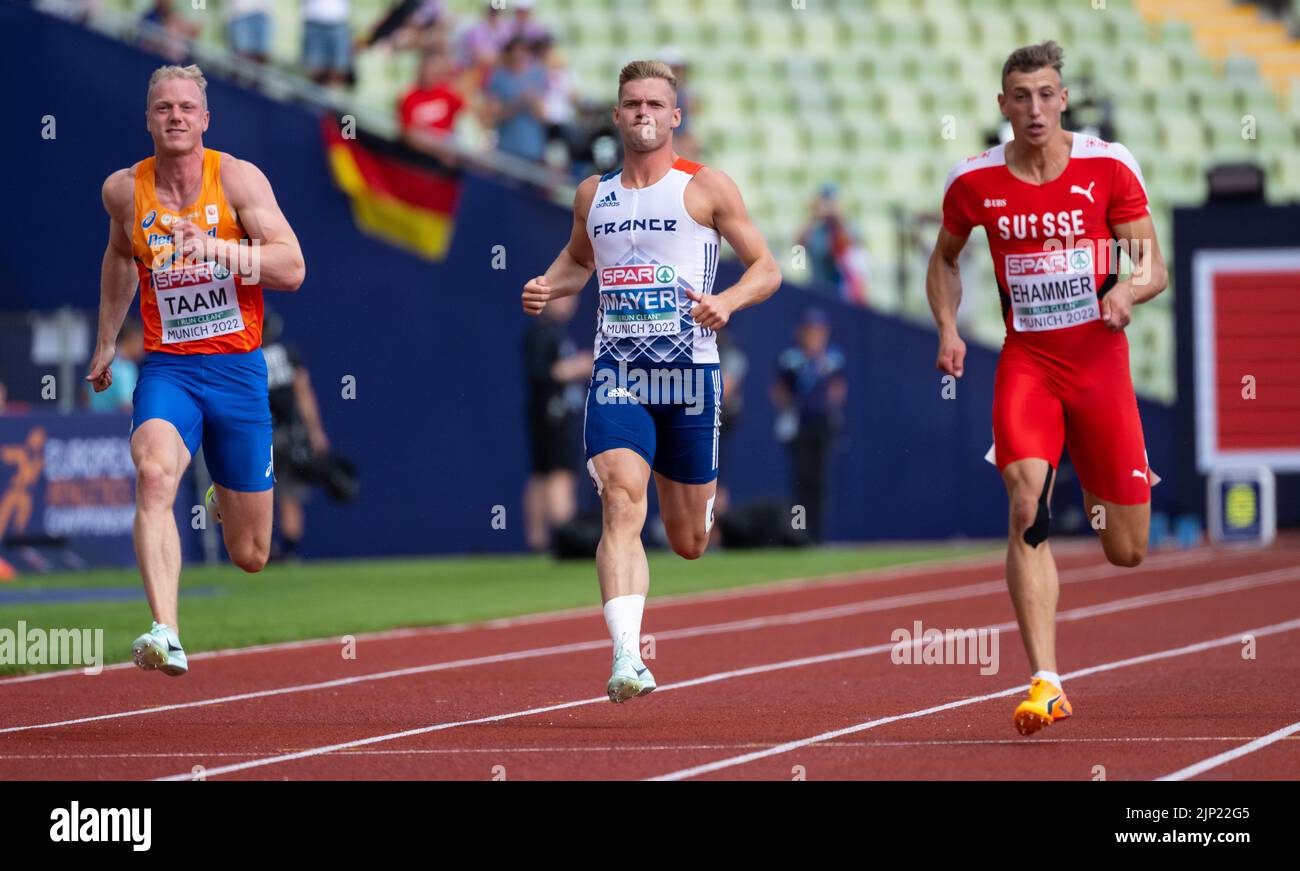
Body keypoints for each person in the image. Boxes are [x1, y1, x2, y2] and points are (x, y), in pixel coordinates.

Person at [521, 60, 781, 703]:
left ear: (674, 116)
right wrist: (548, 283)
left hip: (689, 375)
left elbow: (768, 269)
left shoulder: (707, 188)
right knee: (618, 497)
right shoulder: (593, 194)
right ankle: (626, 657)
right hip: (621, 371)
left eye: (654, 104)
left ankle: (699, 502)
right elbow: (580, 259)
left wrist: (729, 301)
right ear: (616, 115)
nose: (642, 112)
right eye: (631, 103)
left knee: (689, 540)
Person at [927, 42, 1167, 735]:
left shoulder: (1108, 166)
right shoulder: (972, 182)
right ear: (1002, 106)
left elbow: (1152, 264)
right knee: (1026, 501)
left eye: (1046, 93)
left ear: (1064, 99)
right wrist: (948, 326)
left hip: (1098, 366)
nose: (1034, 107)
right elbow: (944, 259)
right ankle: (1046, 680)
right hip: (1027, 361)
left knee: (1125, 547)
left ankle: (1112, 469)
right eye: (1021, 96)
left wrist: (1127, 287)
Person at [86, 64, 306, 676]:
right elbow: (119, 256)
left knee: (251, 553)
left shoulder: (236, 178)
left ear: (205, 119)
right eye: (163, 108)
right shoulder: (125, 191)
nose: (175, 116)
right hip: (171, 369)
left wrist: (216, 248)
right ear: (149, 118)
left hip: (237, 371)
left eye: (186, 107)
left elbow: (291, 268)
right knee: (153, 475)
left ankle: (225, 495)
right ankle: (166, 631)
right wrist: (106, 342)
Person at [521, 293, 591, 552]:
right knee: (558, 472)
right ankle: (567, 539)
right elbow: (543, 371)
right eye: (564, 298)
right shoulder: (541, 333)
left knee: (545, 473)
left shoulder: (558, 333)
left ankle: (539, 541)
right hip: (552, 415)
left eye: (572, 299)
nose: (569, 303)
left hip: (557, 415)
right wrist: (579, 366)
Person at [771, 308, 847, 543]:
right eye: (810, 331)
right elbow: (778, 390)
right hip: (799, 424)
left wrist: (828, 407)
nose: (814, 336)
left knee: (820, 480)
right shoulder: (791, 358)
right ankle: (800, 533)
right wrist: (788, 409)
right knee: (800, 479)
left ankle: (818, 534)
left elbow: (839, 388)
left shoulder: (832, 359)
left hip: (822, 423)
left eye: (819, 331)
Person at [262, 313, 329, 563]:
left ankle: (265, 550)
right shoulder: (288, 355)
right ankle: (289, 550)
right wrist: (315, 431)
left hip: (261, 432)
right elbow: (303, 394)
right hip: (290, 433)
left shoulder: (246, 357)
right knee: (289, 492)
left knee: (261, 491)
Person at [484, 35, 547, 163]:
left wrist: (532, 100)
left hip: (533, 148)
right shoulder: (498, 77)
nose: (519, 56)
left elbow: (542, 115)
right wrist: (518, 103)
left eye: (524, 51)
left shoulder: (537, 74)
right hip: (507, 147)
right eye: (515, 51)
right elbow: (494, 115)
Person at [398, 50, 466, 165]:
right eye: (427, 70)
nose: (430, 74)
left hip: (446, 157)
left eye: (435, 71)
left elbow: (467, 110)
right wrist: (440, 147)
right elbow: (409, 134)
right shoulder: (409, 98)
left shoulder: (446, 94)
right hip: (421, 157)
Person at [85, 319, 143, 414]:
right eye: (139, 341)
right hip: (115, 425)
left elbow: (85, 396)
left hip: (94, 422)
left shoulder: (97, 362)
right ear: (129, 341)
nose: (142, 347)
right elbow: (127, 406)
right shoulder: (126, 368)